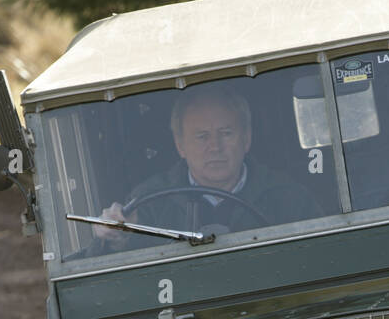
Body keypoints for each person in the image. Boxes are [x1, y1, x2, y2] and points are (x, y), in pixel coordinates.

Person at [88, 85, 323, 252]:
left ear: (247, 139)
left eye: (226, 133)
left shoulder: (289, 197)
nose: (215, 147)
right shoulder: (147, 203)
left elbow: (321, 257)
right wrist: (114, 238)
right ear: (180, 145)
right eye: (202, 137)